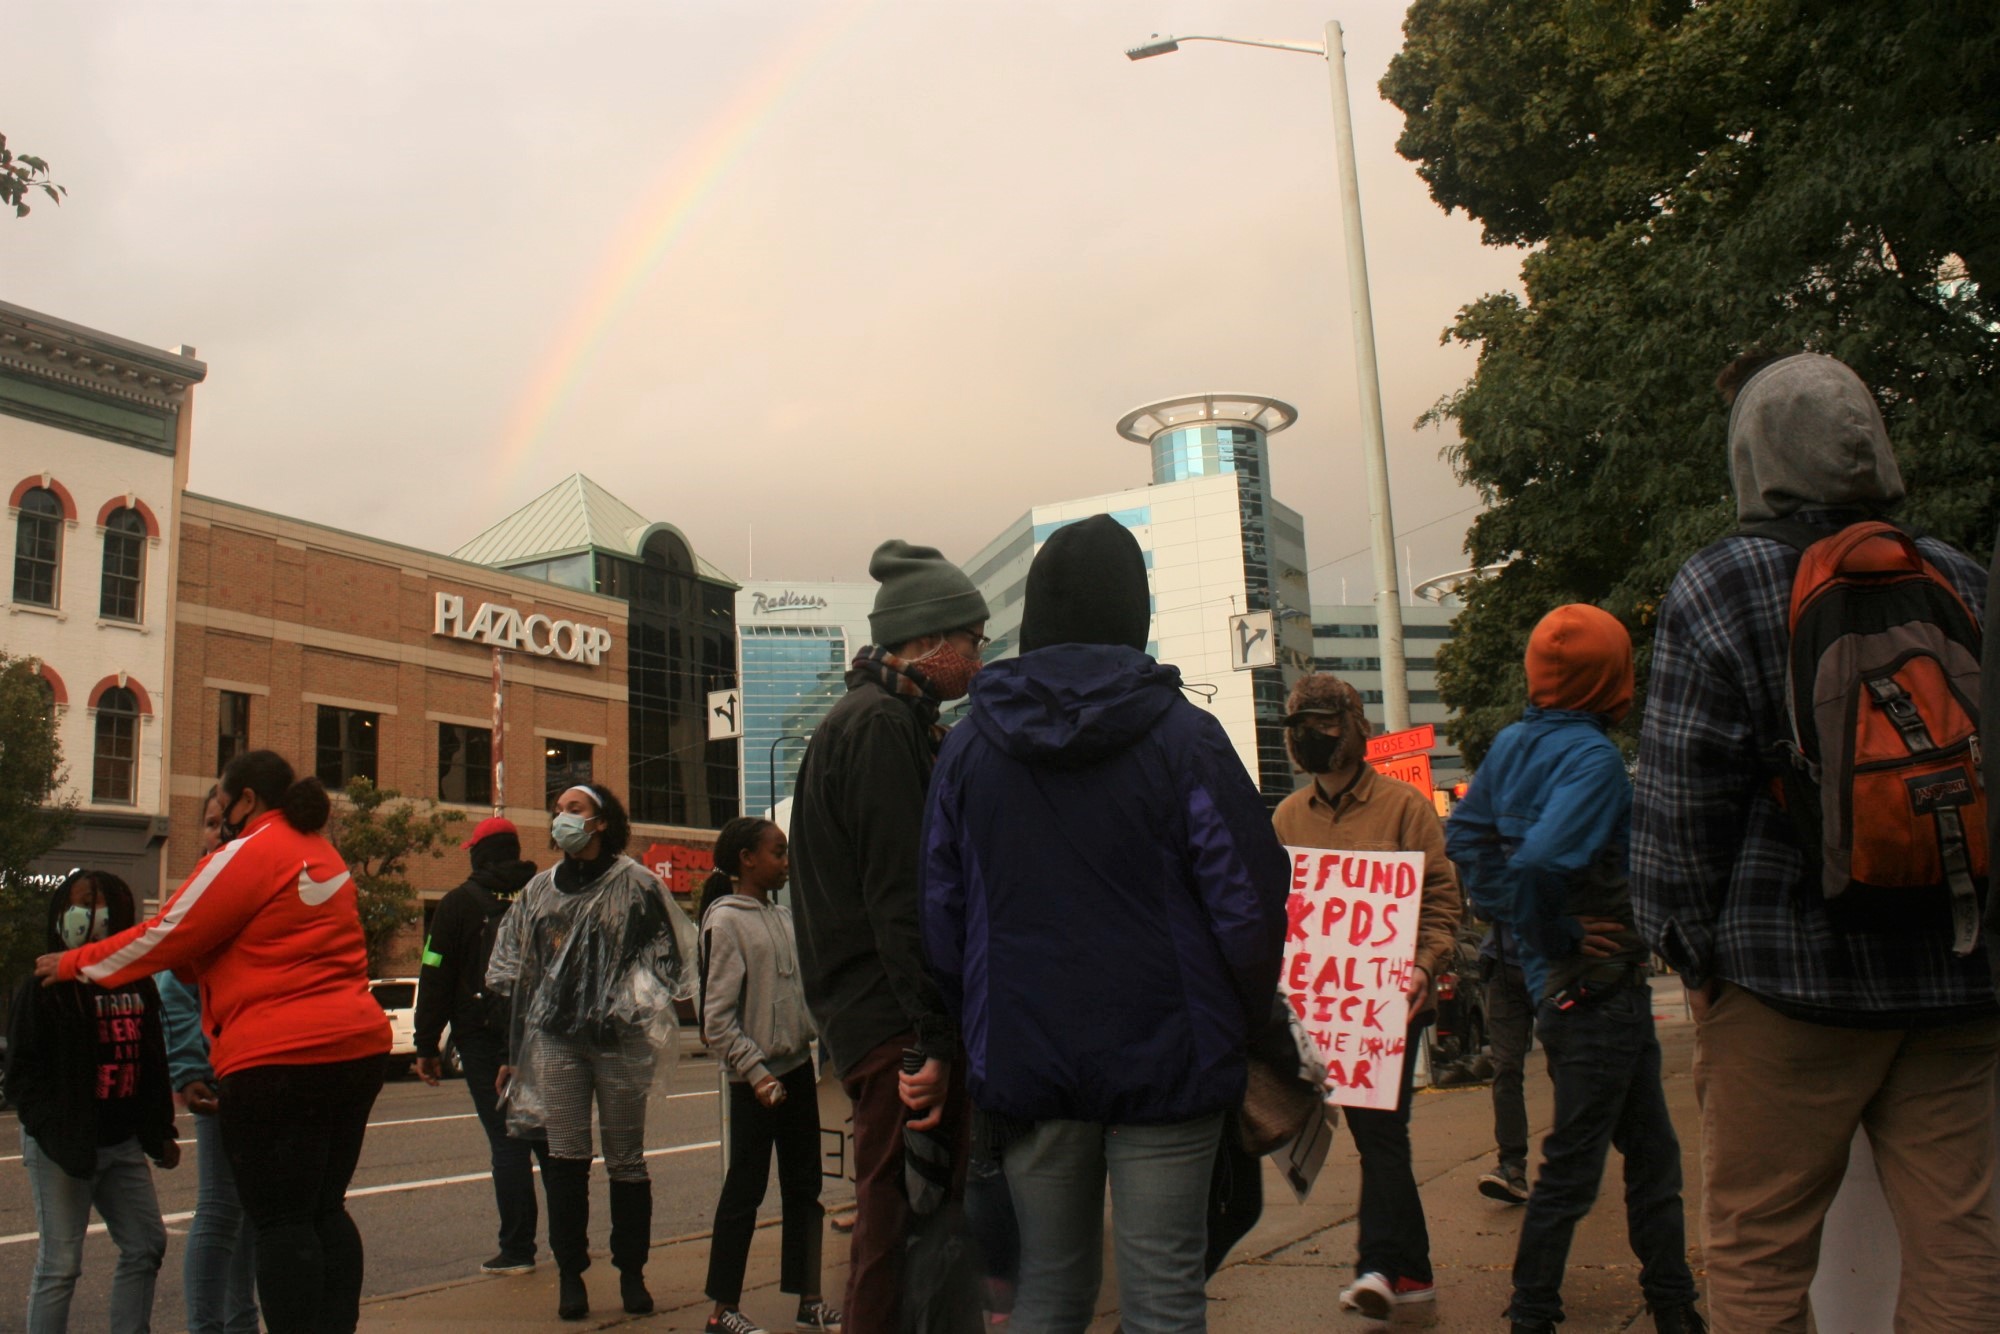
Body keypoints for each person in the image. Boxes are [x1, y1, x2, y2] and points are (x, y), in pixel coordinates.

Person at [1632, 350, 2000, 1330]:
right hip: (1954, 970)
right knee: (1962, 1240)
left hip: (1784, 981)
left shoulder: (1720, 583)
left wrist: (1690, 957)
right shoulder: (1958, 577)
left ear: (1750, 457)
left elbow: (1676, 815)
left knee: (1755, 1252)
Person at [921, 515, 1290, 1333]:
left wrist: (975, 1019)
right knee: (1163, 1295)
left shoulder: (969, 750)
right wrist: (1245, 1013)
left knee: (1048, 1287)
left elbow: (942, 918)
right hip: (1171, 1054)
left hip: (1027, 1053)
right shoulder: (1186, 740)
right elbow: (1248, 904)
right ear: (1136, 613)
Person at [40, 749, 390, 1334]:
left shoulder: (250, 852)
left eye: (222, 803)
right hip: (355, 1047)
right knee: (326, 1208)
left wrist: (76, 963)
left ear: (245, 800)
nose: (219, 815)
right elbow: (237, 950)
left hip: (277, 1058)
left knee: (280, 1220)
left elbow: (165, 934)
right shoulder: (322, 853)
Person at [1446, 604, 1702, 1334]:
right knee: (1576, 1170)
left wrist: (1523, 931)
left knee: (1651, 1157)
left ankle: (1675, 1306)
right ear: (1611, 676)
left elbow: (1468, 836)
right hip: (1595, 988)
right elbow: (1538, 861)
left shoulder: (1514, 743)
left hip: (1569, 986)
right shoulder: (1593, 762)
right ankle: (1534, 1315)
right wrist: (1556, 934)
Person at [789, 538, 990, 1332]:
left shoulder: (883, 719)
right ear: (928, 640)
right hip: (890, 1020)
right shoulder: (878, 727)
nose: (978, 658)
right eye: (971, 641)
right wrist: (931, 1038)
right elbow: (900, 898)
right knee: (896, 1221)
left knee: (913, 1218)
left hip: (875, 1015)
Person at [1269, 672, 1463, 1319]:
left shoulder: (1405, 808)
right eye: (1301, 728)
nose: (1312, 738)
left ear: (1354, 728)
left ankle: (1376, 1264)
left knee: (1381, 1130)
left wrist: (1422, 965)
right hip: (1317, 1011)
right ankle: (1413, 1275)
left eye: (1324, 724)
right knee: (1378, 1136)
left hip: (1392, 1006)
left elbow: (1441, 900)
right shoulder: (1285, 819)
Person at [486, 782, 694, 1322]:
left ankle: (632, 1272)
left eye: (573, 810)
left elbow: (671, 960)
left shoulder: (639, 885)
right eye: (557, 811)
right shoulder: (538, 891)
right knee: (566, 1159)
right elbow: (518, 975)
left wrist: (635, 996)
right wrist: (513, 1053)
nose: (562, 819)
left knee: (626, 1160)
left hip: (619, 1038)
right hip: (555, 1039)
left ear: (600, 822)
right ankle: (571, 1275)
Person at [10, 869, 177, 1333]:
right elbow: (22, 1077)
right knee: (60, 1265)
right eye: (79, 903)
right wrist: (55, 1136)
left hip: (121, 1142)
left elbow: (150, 1062)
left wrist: (160, 1131)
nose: (86, 915)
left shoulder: (136, 983)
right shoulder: (44, 986)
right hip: (61, 1147)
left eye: (99, 905)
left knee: (146, 1244)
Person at [698, 816, 843, 1334]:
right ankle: (723, 1311)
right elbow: (715, 1019)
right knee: (745, 1191)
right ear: (746, 859)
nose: (786, 863)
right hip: (754, 1084)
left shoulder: (782, 918)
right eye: (777, 853)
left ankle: (809, 1300)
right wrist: (755, 1072)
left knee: (805, 1188)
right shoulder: (725, 921)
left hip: (797, 1072)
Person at [412, 815, 549, 1275]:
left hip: (480, 1037)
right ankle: (572, 1246)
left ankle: (517, 1250)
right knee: (551, 1143)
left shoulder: (457, 905)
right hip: (539, 1035)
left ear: (479, 854)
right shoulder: (543, 895)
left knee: (507, 1143)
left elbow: (435, 972)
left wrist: (426, 1044)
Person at [159, 787, 258, 1334]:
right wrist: (190, 1070)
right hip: (219, 1076)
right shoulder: (200, 888)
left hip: (257, 1070)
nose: (218, 832)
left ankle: (242, 1322)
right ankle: (207, 1326)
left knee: (246, 1211)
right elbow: (174, 989)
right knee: (221, 1208)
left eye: (229, 823)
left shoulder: (252, 885)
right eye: (211, 822)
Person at [1475, 920, 1535, 1205]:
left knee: (1566, 1066)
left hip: (1556, 961)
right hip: (1504, 965)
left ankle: (1574, 1159)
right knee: (1506, 1068)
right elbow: (1482, 903)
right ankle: (1511, 1165)